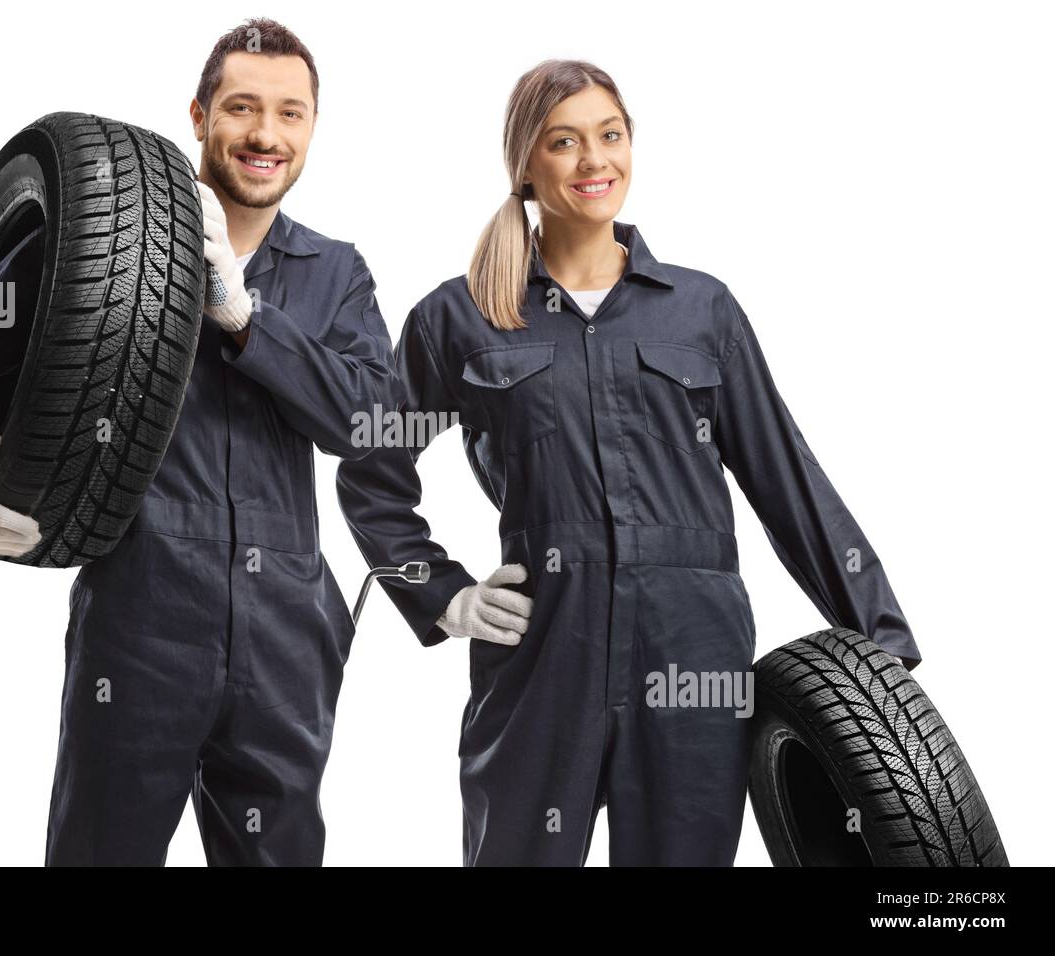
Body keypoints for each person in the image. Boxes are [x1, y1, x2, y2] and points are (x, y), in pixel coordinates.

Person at [335, 59, 921, 866]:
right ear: (526, 164)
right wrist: (446, 598)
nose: (593, 161)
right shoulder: (461, 316)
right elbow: (373, 472)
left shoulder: (699, 309)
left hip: (693, 657)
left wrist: (883, 652)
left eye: (609, 136)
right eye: (564, 142)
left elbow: (787, 480)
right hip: (542, 654)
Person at [0, 18, 399, 866]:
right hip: (143, 614)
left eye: (291, 114)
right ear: (198, 116)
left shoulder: (335, 271)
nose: (265, 135)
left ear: (312, 127)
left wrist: (244, 316)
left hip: (288, 630)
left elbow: (369, 423)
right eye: (241, 108)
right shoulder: (93, 235)